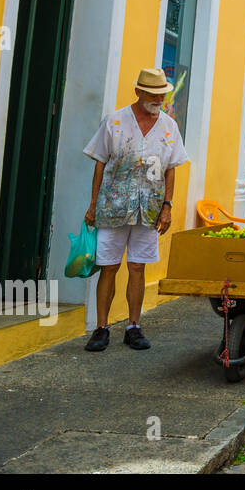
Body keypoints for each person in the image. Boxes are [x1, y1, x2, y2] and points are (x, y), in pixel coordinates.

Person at [82, 68, 189, 352]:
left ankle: (133, 326)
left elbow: (170, 170)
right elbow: (99, 164)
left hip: (149, 209)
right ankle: (101, 327)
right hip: (113, 206)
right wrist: (92, 205)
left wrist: (167, 207)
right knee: (108, 267)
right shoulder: (114, 121)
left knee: (138, 267)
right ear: (138, 92)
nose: (158, 99)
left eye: (161, 94)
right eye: (153, 94)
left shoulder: (169, 126)